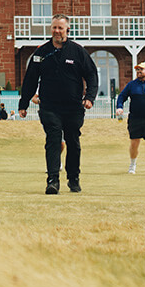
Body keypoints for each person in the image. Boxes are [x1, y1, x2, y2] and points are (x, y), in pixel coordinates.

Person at [18, 14, 99, 195]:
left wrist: (90, 98)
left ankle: (73, 178)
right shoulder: (41, 52)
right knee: (53, 140)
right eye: (54, 27)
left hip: (73, 107)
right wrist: (23, 103)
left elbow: (92, 75)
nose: (57, 31)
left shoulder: (78, 52)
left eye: (60, 28)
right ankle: (52, 180)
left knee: (73, 142)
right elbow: (30, 79)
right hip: (49, 106)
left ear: (67, 30)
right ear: (51, 29)